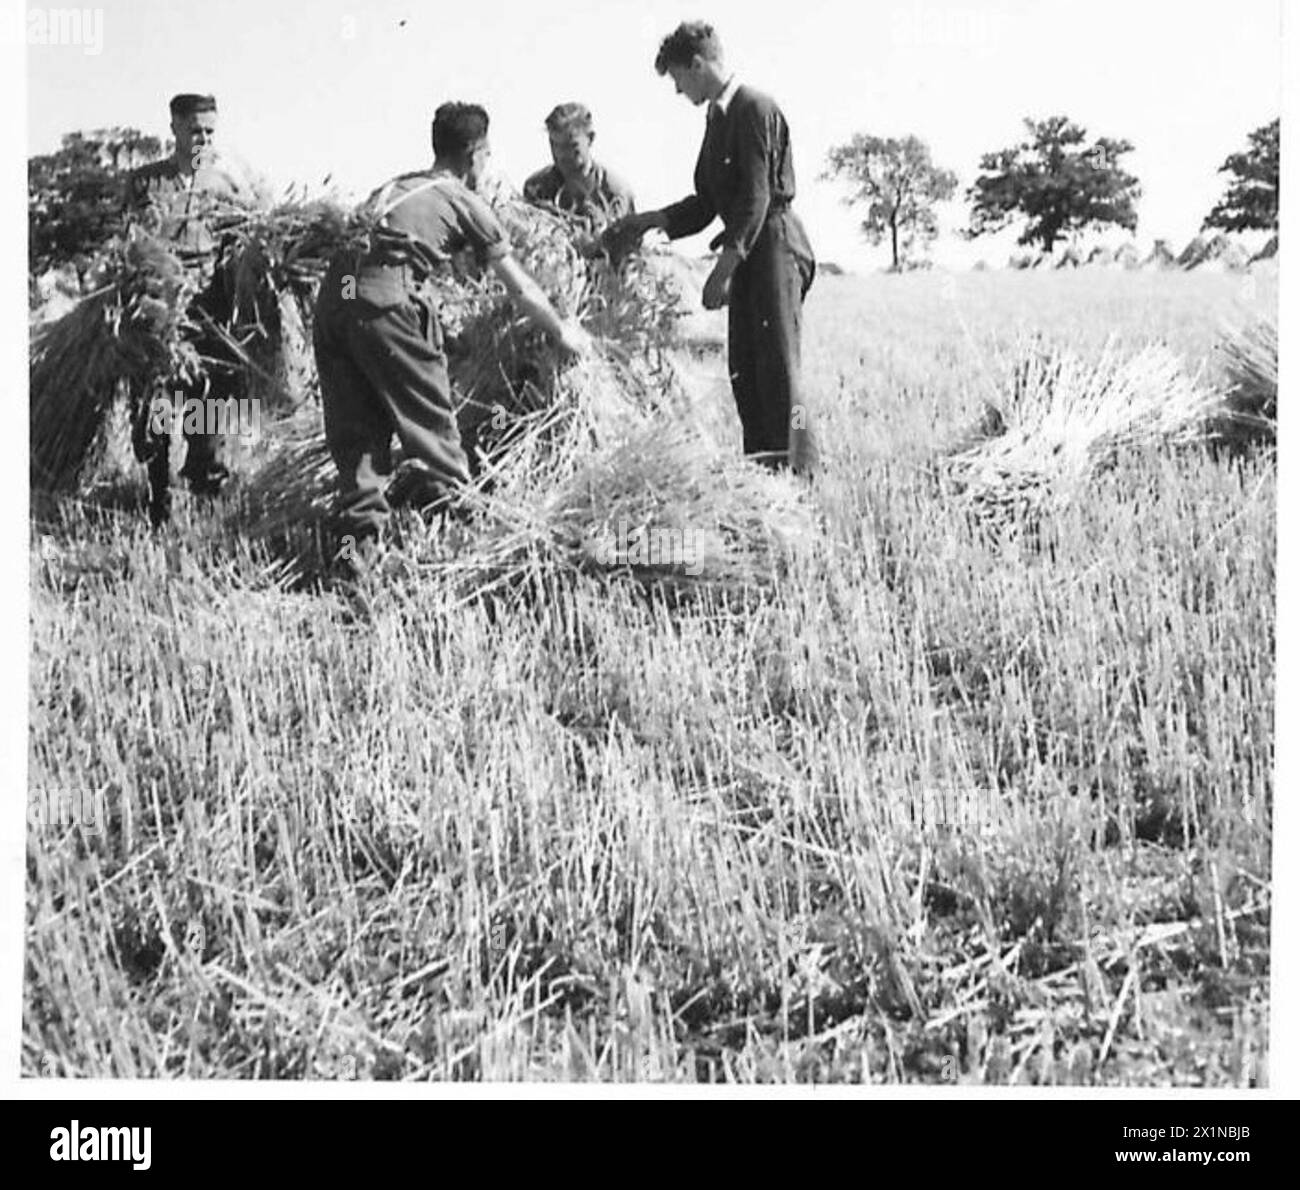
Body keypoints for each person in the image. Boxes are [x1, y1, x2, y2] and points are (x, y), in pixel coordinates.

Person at [312, 101, 591, 567]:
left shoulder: (395, 186)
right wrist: (561, 332)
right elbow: (518, 286)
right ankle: (467, 549)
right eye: (486, 156)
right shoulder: (462, 198)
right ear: (476, 154)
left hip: (334, 301)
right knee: (435, 430)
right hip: (385, 300)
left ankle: (353, 559)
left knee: (357, 437)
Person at [609, 23, 817, 474]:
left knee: (783, 377)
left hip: (775, 248)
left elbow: (757, 198)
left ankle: (803, 478)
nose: (679, 92)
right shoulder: (717, 118)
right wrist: (652, 221)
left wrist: (724, 268)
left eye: (678, 80)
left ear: (697, 65)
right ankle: (765, 479)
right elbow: (706, 202)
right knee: (746, 373)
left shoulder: (753, 107)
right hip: (750, 254)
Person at [123, 92, 269, 525]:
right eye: (194, 130)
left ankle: (206, 492)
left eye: (209, 130)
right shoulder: (145, 183)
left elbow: (241, 249)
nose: (203, 138)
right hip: (157, 311)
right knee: (153, 407)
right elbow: (130, 244)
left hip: (209, 313)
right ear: (174, 128)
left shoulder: (227, 188)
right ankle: (157, 494)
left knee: (206, 406)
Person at [522, 103, 636, 250]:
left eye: (571, 146)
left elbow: (628, 254)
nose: (561, 155)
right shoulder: (536, 188)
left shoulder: (616, 193)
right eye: (554, 145)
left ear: (591, 139)